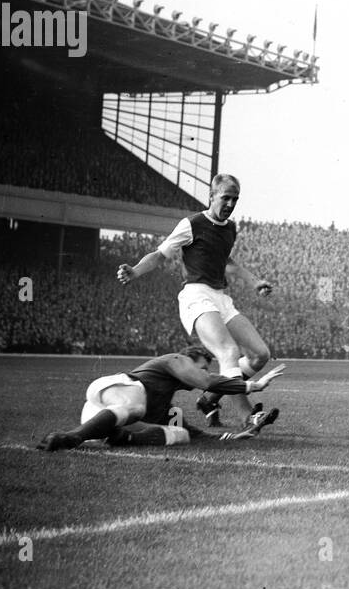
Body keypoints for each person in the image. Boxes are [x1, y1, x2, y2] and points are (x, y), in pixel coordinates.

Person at [116, 173, 279, 426]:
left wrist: (254, 281)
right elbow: (160, 255)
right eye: (225, 198)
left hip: (221, 298)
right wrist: (135, 270)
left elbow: (227, 262)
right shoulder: (192, 224)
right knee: (229, 351)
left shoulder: (230, 228)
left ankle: (210, 399)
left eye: (235, 199)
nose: (230, 204)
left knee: (260, 354)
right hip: (196, 296)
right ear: (211, 196)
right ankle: (248, 416)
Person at [35, 346, 281, 451]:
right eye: (203, 366)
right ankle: (71, 436)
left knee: (180, 435)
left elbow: (197, 435)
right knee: (134, 407)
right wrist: (252, 385)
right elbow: (206, 382)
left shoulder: (165, 404)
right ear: (189, 359)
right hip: (117, 387)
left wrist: (236, 437)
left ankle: (120, 437)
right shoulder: (175, 359)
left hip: (100, 413)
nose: (204, 373)